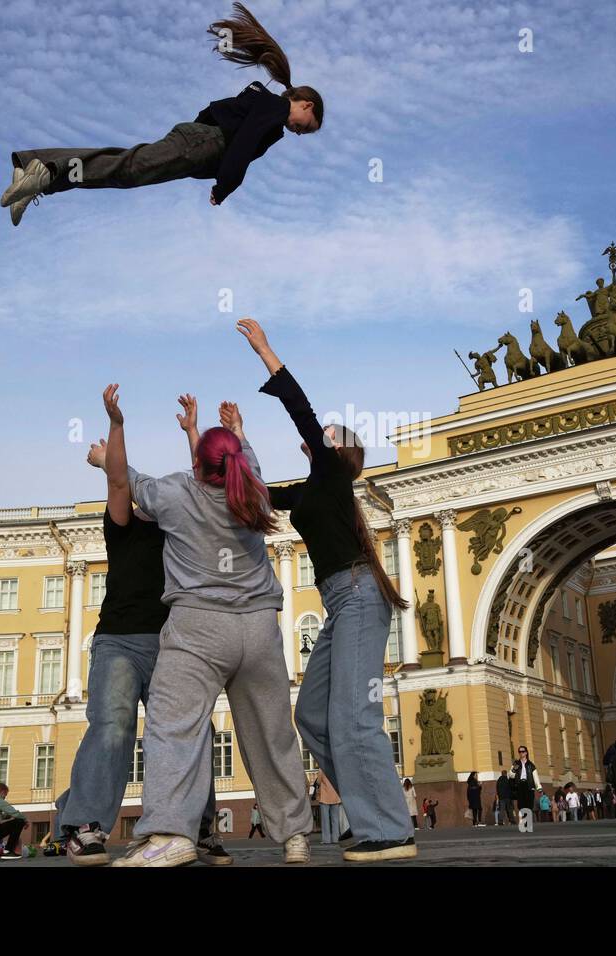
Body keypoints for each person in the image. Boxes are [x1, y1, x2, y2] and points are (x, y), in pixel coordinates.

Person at [235, 317, 416, 863]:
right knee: (313, 716)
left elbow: (302, 410)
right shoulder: (312, 490)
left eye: (332, 434)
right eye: (325, 433)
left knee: (354, 718)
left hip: (359, 596)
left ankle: (390, 830)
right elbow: (259, 494)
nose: (323, 433)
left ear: (340, 451)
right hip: (342, 605)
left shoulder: (335, 475)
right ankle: (373, 816)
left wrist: (267, 352)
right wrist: (234, 442)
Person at [109, 386, 312, 868]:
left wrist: (109, 442)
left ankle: (171, 832)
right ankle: (296, 836)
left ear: (198, 461)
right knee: (271, 734)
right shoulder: (255, 489)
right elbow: (228, 465)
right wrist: (227, 431)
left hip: (199, 627)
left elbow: (125, 478)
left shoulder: (175, 491)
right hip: (260, 629)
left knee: (173, 725)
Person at [55, 431, 225, 866]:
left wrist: (192, 432)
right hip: (119, 642)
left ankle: (199, 828)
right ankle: (85, 826)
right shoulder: (122, 525)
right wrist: (115, 428)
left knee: (189, 728)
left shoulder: (181, 532)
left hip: (172, 644)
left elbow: (204, 483)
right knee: (113, 726)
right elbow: (117, 483)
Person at [0, 4, 323, 226]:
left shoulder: (261, 101)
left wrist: (201, 146)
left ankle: (38, 174)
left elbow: (211, 112)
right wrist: (225, 186)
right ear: (306, 105)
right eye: (305, 129)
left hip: (196, 143)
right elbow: (244, 143)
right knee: (127, 168)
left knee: (126, 170)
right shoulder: (275, 109)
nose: (298, 133)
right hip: (202, 144)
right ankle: (43, 170)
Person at [510, 747, 541, 819]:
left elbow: (535, 776)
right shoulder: (516, 763)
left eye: (523, 751)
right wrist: (514, 769)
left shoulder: (531, 765)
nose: (521, 753)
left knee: (529, 804)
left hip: (529, 785)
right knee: (521, 805)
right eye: (519, 752)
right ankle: (524, 821)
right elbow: (511, 775)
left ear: (526, 753)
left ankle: (527, 822)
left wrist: (539, 786)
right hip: (520, 785)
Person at [317, 771, 343, 845]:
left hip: (325, 797)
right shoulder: (334, 769)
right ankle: (336, 838)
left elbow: (318, 782)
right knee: (335, 820)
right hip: (335, 797)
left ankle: (326, 840)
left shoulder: (322, 769)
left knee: (325, 820)